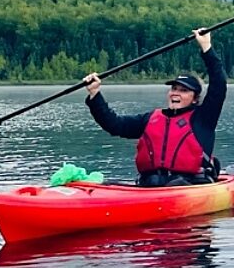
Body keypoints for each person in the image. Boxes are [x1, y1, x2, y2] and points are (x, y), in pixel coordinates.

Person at [83, 29, 225, 187]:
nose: (175, 93)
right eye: (174, 89)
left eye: (183, 90)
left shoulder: (203, 118)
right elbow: (114, 125)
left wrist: (206, 47)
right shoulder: (151, 119)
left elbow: (218, 85)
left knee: (174, 183)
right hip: (149, 186)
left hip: (188, 186)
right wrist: (95, 94)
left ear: (195, 99)